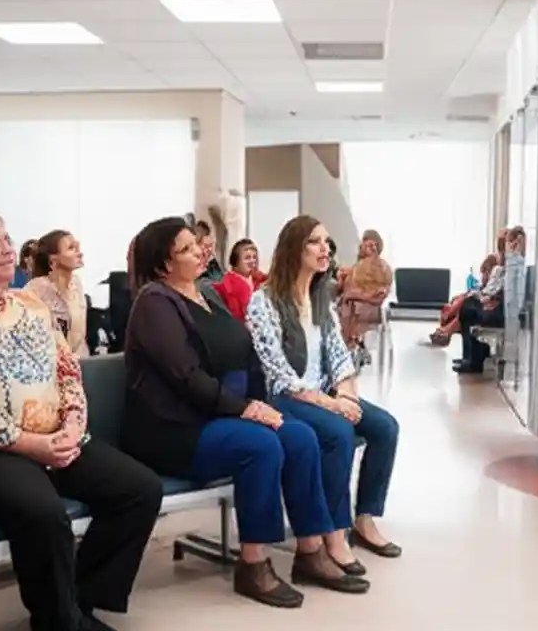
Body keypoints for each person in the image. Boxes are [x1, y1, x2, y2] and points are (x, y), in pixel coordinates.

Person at [0, 207, 163, 631]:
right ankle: (58, 622)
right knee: (43, 513)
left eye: (7, 239)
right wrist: (29, 443)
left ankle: (81, 604)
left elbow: (68, 373)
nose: (9, 249)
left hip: (53, 440)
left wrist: (74, 426)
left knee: (139, 490)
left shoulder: (31, 305)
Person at [122, 217, 366, 608]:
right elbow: (187, 378)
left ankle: (310, 550)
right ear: (165, 265)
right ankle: (253, 564)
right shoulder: (155, 302)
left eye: (198, 244)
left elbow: (246, 357)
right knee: (261, 446)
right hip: (174, 429)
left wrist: (261, 402)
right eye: (187, 248)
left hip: (216, 414)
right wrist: (246, 408)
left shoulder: (207, 295)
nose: (202, 251)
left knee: (299, 436)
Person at [246, 215, 402, 568]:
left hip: (326, 394)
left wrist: (346, 395)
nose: (325, 249)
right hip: (287, 397)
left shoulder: (321, 299)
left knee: (385, 428)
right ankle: (334, 531)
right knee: (339, 433)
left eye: (327, 242)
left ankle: (365, 519)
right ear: (294, 249)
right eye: (315, 242)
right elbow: (279, 374)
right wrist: (332, 404)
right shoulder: (263, 301)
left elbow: (340, 356)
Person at [454, 227, 526, 374]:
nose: (510, 246)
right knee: (467, 307)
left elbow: (511, 293)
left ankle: (474, 358)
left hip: (503, 313)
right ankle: (472, 356)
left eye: (512, 242)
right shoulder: (509, 264)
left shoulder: (517, 264)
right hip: (500, 307)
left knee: (467, 308)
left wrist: (491, 299)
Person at [25, 229, 90, 357]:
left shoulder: (76, 283)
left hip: (80, 360)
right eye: (71, 248)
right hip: (51, 362)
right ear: (52, 261)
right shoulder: (36, 289)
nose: (80, 253)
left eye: (78, 247)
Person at [336, 229, 393, 361]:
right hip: (351, 302)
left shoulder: (382, 267)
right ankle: (351, 347)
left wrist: (356, 295)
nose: (371, 248)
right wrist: (342, 278)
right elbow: (343, 287)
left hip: (366, 304)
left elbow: (379, 293)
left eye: (373, 245)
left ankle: (352, 347)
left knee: (352, 309)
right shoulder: (357, 267)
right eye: (367, 245)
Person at [213, 239, 265, 322]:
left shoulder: (259, 278)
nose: (252, 261)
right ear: (235, 262)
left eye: (254, 257)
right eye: (247, 258)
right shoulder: (228, 285)